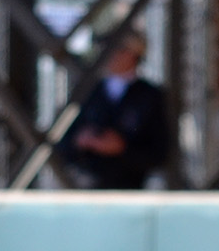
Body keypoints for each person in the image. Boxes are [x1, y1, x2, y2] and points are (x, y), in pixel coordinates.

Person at [57, 28, 171, 189]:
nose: (109, 55)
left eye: (117, 48)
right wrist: (81, 140)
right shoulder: (87, 91)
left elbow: (160, 152)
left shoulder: (150, 96)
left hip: (129, 189)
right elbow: (61, 143)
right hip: (84, 187)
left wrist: (121, 149)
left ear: (133, 53)